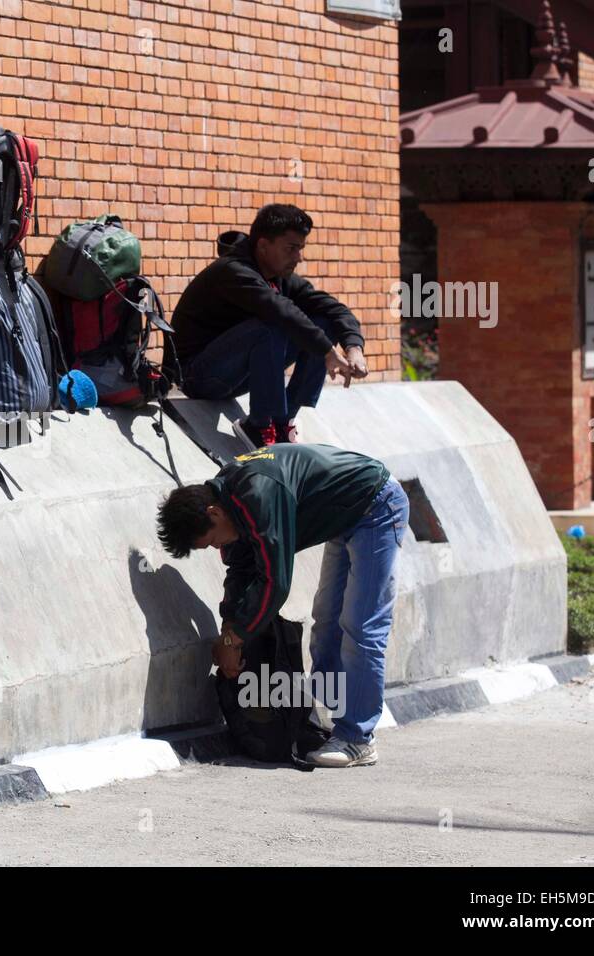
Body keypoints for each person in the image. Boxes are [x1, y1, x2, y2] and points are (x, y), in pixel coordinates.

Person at [155, 443, 409, 768]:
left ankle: (358, 739)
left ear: (213, 514)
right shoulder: (228, 499)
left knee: (361, 628)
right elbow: (241, 567)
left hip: (375, 507)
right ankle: (338, 720)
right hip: (344, 519)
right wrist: (230, 628)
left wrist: (235, 640)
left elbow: (276, 582)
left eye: (212, 540)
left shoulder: (258, 495)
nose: (217, 546)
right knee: (327, 623)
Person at [172, 204, 368, 448]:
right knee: (272, 325)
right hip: (197, 377)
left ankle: (282, 420)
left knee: (323, 322)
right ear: (263, 246)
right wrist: (328, 352)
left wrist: (353, 347)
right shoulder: (233, 272)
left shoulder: (280, 278)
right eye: (291, 248)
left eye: (300, 248)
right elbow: (280, 312)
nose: (298, 257)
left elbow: (333, 308)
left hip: (235, 375)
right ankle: (258, 426)